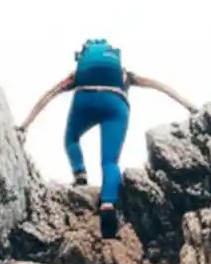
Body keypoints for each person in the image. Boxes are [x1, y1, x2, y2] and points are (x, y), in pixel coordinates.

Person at [16, 39, 197, 238]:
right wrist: (189, 105)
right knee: (110, 162)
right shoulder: (124, 74)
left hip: (85, 98)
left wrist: (25, 125)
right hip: (116, 103)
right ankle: (108, 204)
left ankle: (80, 175)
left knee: (71, 138)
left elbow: (49, 94)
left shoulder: (79, 74)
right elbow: (159, 86)